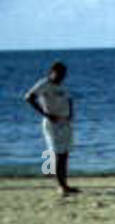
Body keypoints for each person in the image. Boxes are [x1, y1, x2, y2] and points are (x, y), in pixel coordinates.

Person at [24, 61, 78, 196]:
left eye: (63, 74)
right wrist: (46, 114)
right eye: (59, 74)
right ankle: (60, 185)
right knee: (57, 153)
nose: (61, 76)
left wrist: (71, 113)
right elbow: (29, 97)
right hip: (53, 123)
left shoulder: (62, 86)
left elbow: (69, 100)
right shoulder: (44, 84)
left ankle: (65, 184)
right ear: (52, 72)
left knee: (65, 153)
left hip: (65, 122)